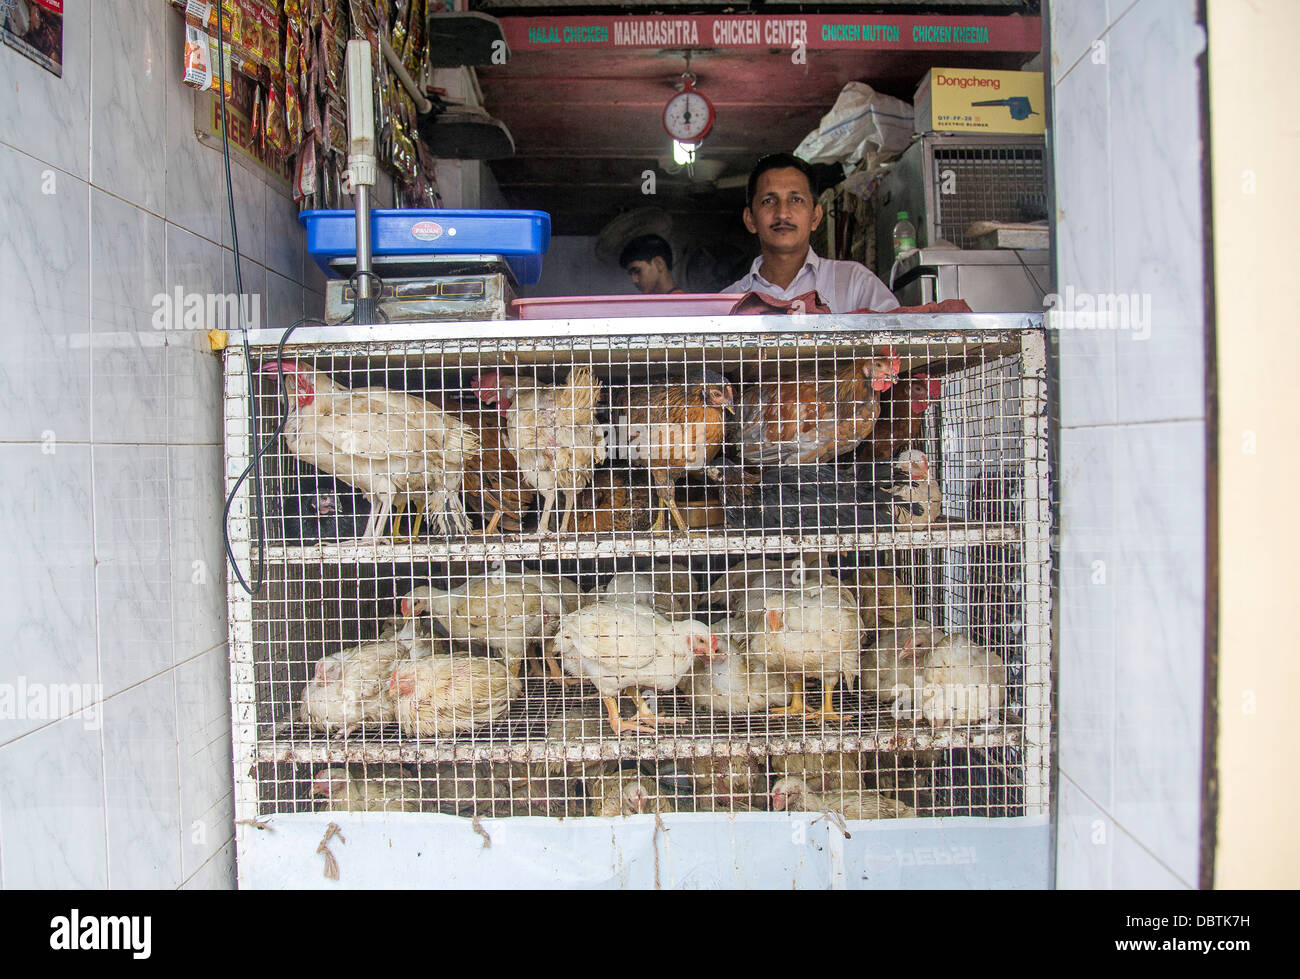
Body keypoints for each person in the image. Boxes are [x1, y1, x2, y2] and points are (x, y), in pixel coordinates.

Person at [722, 152, 899, 313]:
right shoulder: (726, 304)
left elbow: (898, 342)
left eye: (796, 200)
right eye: (768, 201)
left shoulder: (855, 283)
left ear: (815, 217)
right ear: (750, 219)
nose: (783, 213)